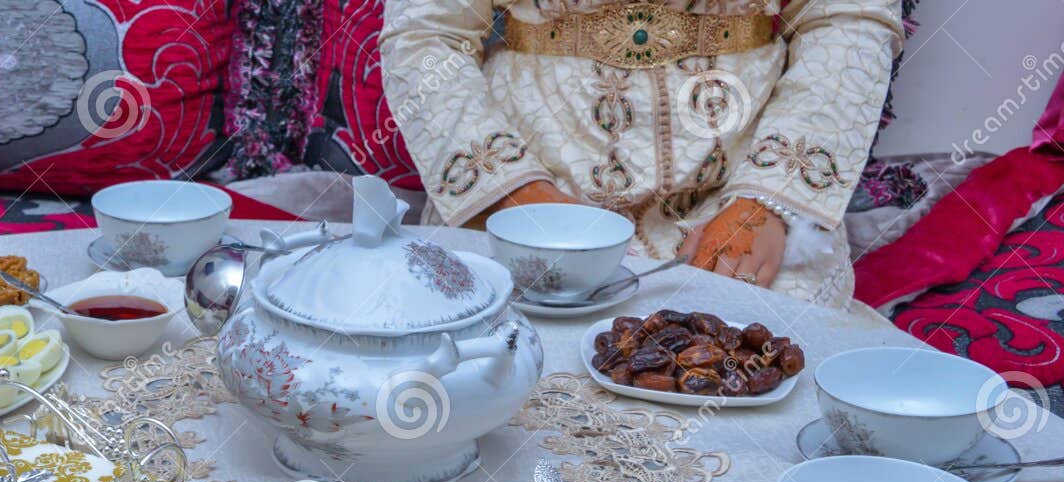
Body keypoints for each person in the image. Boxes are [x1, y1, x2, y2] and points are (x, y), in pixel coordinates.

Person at [380, 1, 903, 304]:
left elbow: (848, 16)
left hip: (740, 174)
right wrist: (517, 197)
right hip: (530, 172)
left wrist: (771, 199)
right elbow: (427, 34)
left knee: (769, 348)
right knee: (494, 348)